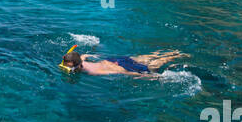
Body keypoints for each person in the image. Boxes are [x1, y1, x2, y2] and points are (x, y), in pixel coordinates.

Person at [58, 44, 188, 78]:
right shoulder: (80, 60)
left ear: (78, 66)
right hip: (114, 60)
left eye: (69, 68)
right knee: (146, 57)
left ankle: (177, 55)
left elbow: (118, 72)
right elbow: (84, 55)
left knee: (153, 66)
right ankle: (174, 51)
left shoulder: (93, 72)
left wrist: (142, 75)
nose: (68, 69)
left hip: (118, 66)